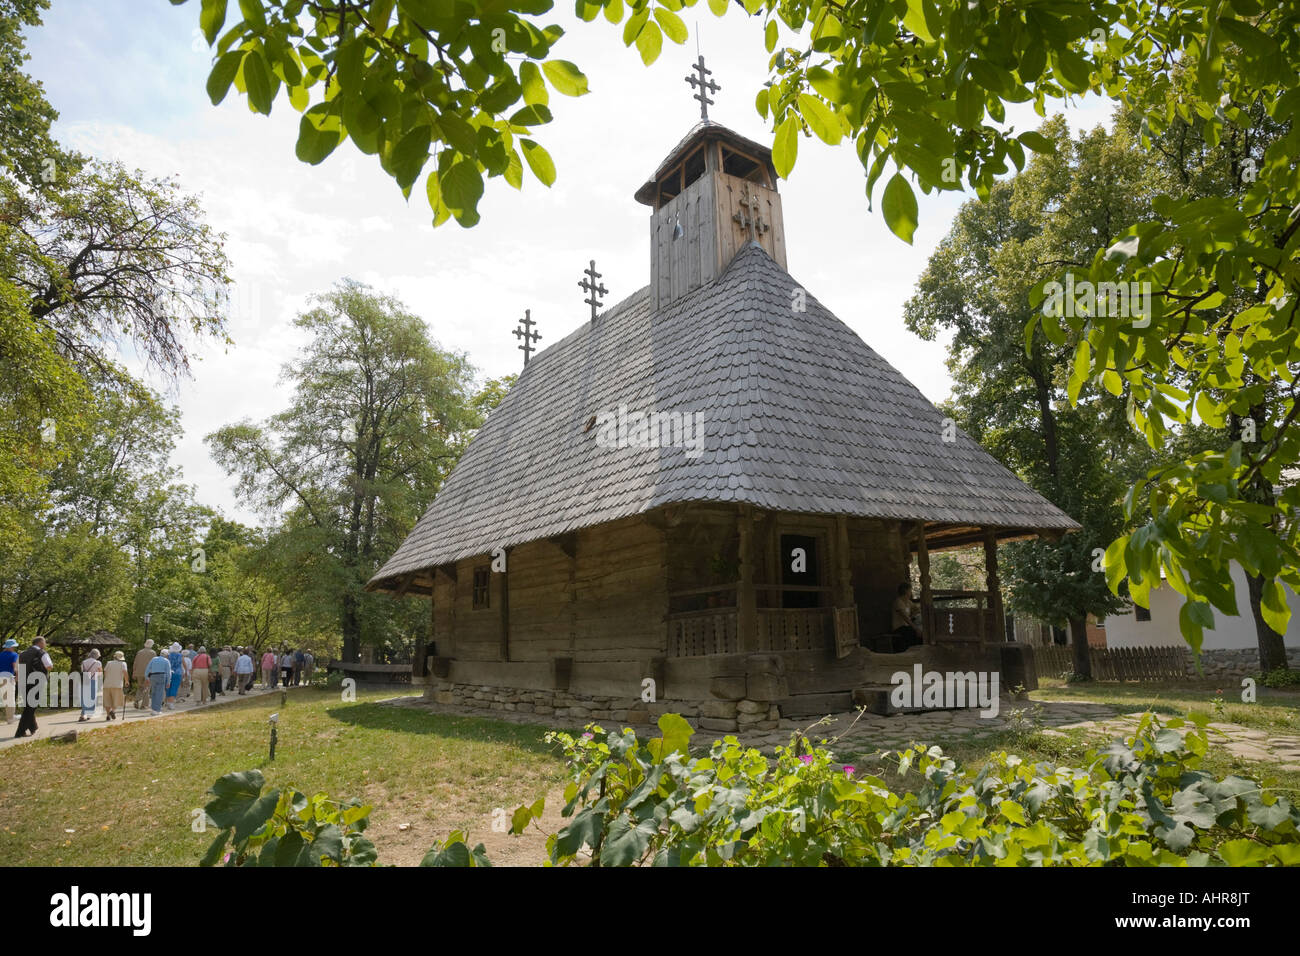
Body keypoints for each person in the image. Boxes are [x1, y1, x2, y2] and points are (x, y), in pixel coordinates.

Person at [15, 636, 52, 737]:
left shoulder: (22, 654)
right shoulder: (41, 653)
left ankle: (33, 727)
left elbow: (17, 668)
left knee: (28, 705)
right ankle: (20, 731)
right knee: (31, 707)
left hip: (23, 682)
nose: (45, 644)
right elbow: (49, 666)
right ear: (40, 643)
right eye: (44, 642)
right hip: (36, 682)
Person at [891, 582, 923, 650]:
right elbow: (906, 618)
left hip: (907, 626)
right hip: (899, 628)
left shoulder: (908, 602)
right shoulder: (898, 602)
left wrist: (915, 612)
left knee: (921, 630)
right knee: (913, 632)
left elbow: (917, 608)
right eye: (910, 590)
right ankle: (912, 651)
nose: (910, 592)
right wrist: (916, 629)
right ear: (906, 591)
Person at [103, 650, 129, 721]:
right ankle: (113, 711)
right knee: (116, 700)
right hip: (117, 684)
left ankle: (108, 715)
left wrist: (106, 679)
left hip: (107, 684)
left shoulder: (109, 663)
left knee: (107, 701)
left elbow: (105, 672)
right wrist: (126, 681)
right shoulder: (123, 664)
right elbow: (125, 672)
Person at [145, 651, 172, 715]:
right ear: (166, 655)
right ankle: (157, 710)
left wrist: (147, 677)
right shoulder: (166, 661)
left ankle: (153, 709)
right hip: (161, 676)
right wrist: (168, 681)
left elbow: (148, 668)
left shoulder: (153, 659)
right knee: (159, 693)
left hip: (153, 676)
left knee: (153, 693)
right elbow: (168, 672)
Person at [79, 648, 102, 722]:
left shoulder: (84, 662)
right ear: (96, 655)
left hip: (85, 681)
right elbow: (100, 673)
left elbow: (82, 671)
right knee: (92, 698)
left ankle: (83, 714)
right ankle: (89, 714)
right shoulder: (98, 663)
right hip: (93, 681)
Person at [132, 639, 156, 710]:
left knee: (140, 687)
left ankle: (137, 699)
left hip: (139, 672)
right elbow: (154, 664)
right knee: (147, 688)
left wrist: (134, 672)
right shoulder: (153, 653)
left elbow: (135, 662)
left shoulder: (139, 652)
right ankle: (144, 705)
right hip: (148, 673)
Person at [0, 639, 18, 724]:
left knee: (5, 698)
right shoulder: (14, 655)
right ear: (10, 647)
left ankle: (9, 717)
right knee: (10, 698)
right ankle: (11, 718)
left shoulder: (0, 655)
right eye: (13, 647)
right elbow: (15, 668)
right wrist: (17, 677)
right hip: (8, 677)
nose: (14, 648)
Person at [165, 643, 183, 710]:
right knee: (174, 687)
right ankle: (171, 703)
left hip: (169, 672)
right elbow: (180, 664)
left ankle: (167, 701)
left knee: (168, 686)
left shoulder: (169, 655)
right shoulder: (180, 655)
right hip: (177, 672)